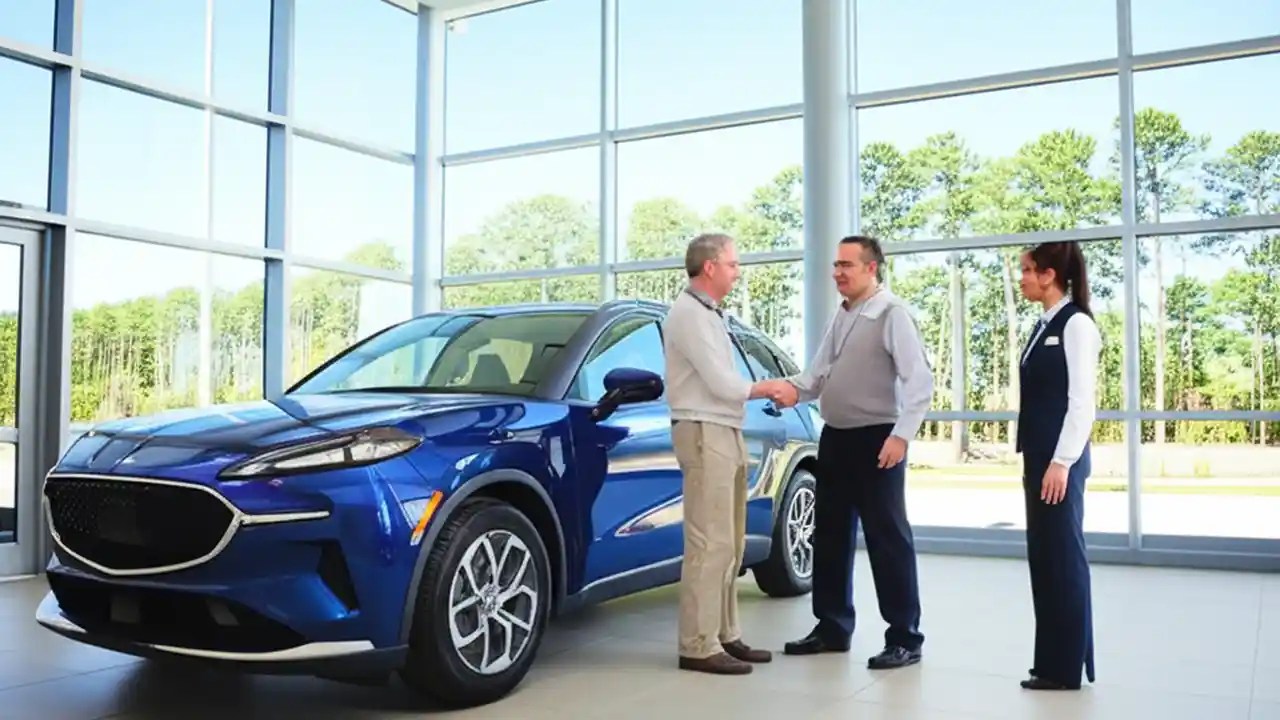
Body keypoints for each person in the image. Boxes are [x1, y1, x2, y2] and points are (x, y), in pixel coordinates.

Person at [772, 235, 933, 670]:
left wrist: (901, 436)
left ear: (871, 269)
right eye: (835, 265)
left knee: (887, 539)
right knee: (830, 536)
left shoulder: (892, 313)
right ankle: (832, 627)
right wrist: (792, 392)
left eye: (847, 265)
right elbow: (818, 373)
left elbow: (919, 383)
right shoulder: (842, 314)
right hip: (837, 437)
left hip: (878, 439)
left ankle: (905, 637)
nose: (838, 272)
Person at [662, 232, 788, 675]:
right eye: (733, 264)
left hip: (725, 427)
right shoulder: (688, 315)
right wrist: (765, 387)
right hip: (703, 429)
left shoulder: (710, 315)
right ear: (710, 267)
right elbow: (719, 380)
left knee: (730, 542)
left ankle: (724, 634)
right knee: (708, 541)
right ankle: (697, 645)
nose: (738, 271)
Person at [1014, 241, 1100, 691]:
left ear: (1049, 275)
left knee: (1063, 559)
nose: (1022, 278)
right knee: (1045, 558)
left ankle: (1065, 668)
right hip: (1041, 460)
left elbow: (1082, 403)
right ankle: (1049, 662)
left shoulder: (1077, 325)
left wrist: (1062, 461)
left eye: (1027, 270)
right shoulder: (1042, 324)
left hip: (1059, 462)